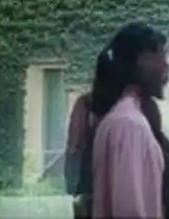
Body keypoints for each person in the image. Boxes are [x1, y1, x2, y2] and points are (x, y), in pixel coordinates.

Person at [90, 22, 169, 219]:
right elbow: (129, 211)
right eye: (162, 57)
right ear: (141, 59)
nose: (166, 67)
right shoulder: (129, 125)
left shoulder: (123, 119)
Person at [66, 53, 110, 219]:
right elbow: (75, 141)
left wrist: (72, 181)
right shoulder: (87, 103)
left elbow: (74, 142)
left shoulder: (86, 102)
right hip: (95, 176)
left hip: (89, 176)